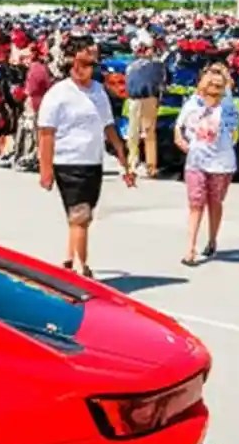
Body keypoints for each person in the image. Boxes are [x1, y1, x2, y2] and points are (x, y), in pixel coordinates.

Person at [37, 35, 135, 278]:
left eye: (90, 65)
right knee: (80, 216)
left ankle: (69, 259)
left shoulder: (98, 92)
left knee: (82, 218)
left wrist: (123, 159)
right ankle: (82, 269)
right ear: (70, 64)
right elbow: (46, 133)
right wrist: (45, 170)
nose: (85, 69)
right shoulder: (58, 94)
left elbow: (108, 126)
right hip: (68, 163)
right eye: (80, 64)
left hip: (93, 162)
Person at [175, 63, 239, 265]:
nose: (214, 89)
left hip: (221, 163)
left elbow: (234, 131)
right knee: (195, 204)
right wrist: (183, 142)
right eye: (210, 84)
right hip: (196, 162)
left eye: (218, 86)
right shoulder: (193, 104)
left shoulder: (228, 107)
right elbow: (179, 126)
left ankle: (212, 240)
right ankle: (190, 249)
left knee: (215, 203)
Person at [124, 32, 166, 177]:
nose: (146, 51)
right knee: (133, 133)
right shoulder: (132, 65)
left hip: (149, 98)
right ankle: (132, 162)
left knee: (148, 132)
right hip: (134, 98)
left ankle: (151, 166)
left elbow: (161, 81)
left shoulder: (157, 65)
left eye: (148, 48)